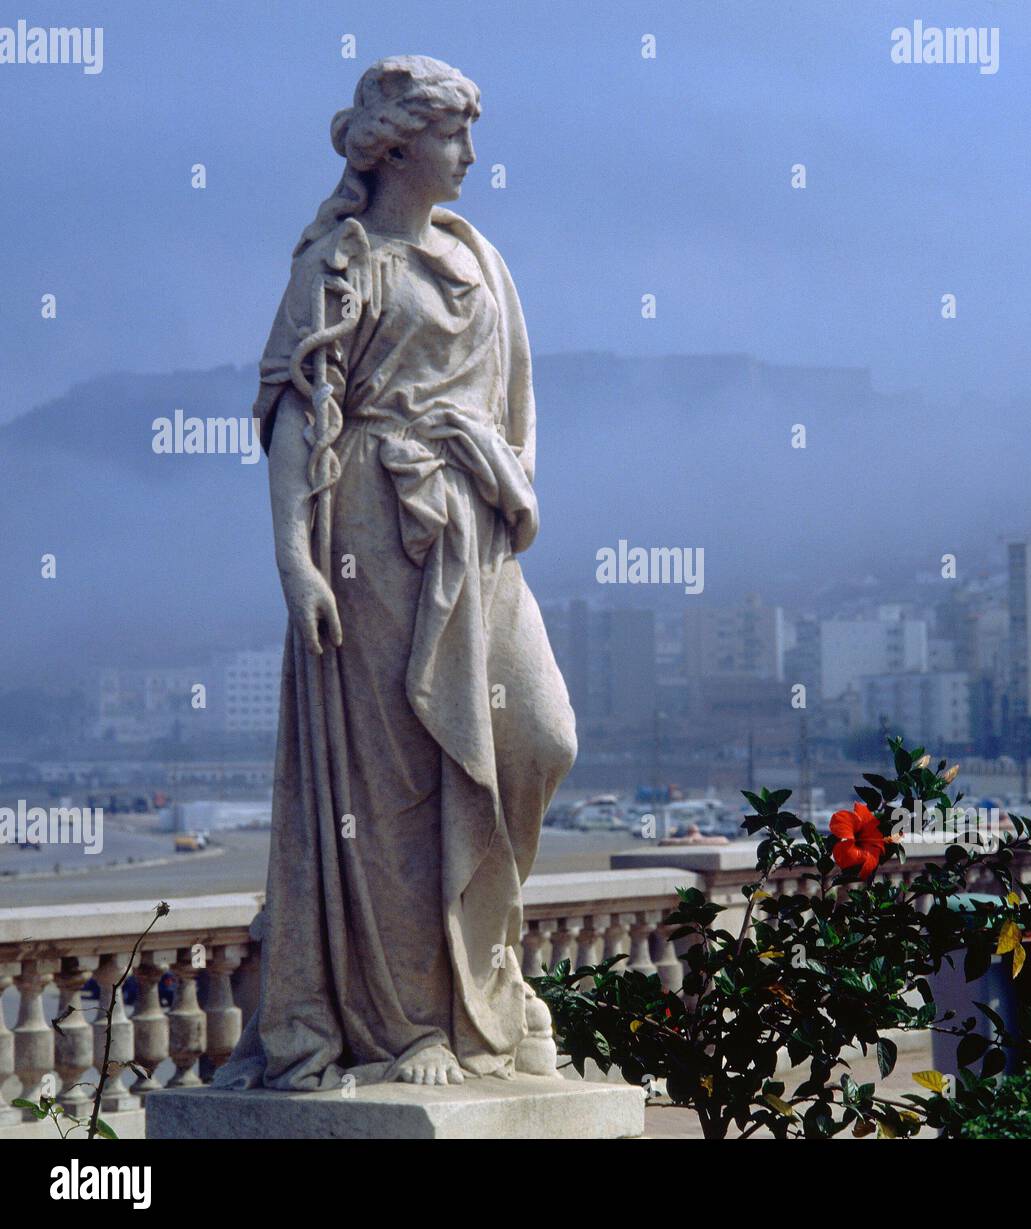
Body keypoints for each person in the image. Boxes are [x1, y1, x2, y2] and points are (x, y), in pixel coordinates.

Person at [213, 56, 576, 1092]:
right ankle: (409, 1018)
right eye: (456, 132)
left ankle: (487, 972)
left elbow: (513, 406)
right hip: (366, 527)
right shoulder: (339, 264)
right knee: (390, 788)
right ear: (399, 142)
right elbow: (296, 412)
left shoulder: (479, 257)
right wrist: (295, 557)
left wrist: (500, 490)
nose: (472, 153)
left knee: (538, 735)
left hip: (473, 527)